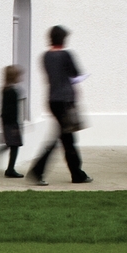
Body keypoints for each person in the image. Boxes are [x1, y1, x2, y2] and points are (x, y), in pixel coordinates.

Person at [27, 26, 90, 186]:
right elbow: (75, 73)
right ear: (63, 39)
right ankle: (38, 170)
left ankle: (77, 173)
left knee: (67, 138)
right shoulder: (66, 55)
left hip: (52, 99)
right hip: (66, 100)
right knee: (61, 138)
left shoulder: (45, 56)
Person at [0, 64, 26, 177]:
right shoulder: (12, 92)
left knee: (10, 145)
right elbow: (12, 111)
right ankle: (10, 169)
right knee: (14, 146)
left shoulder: (5, 90)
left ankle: (9, 168)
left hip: (7, 123)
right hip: (11, 123)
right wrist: (15, 126)